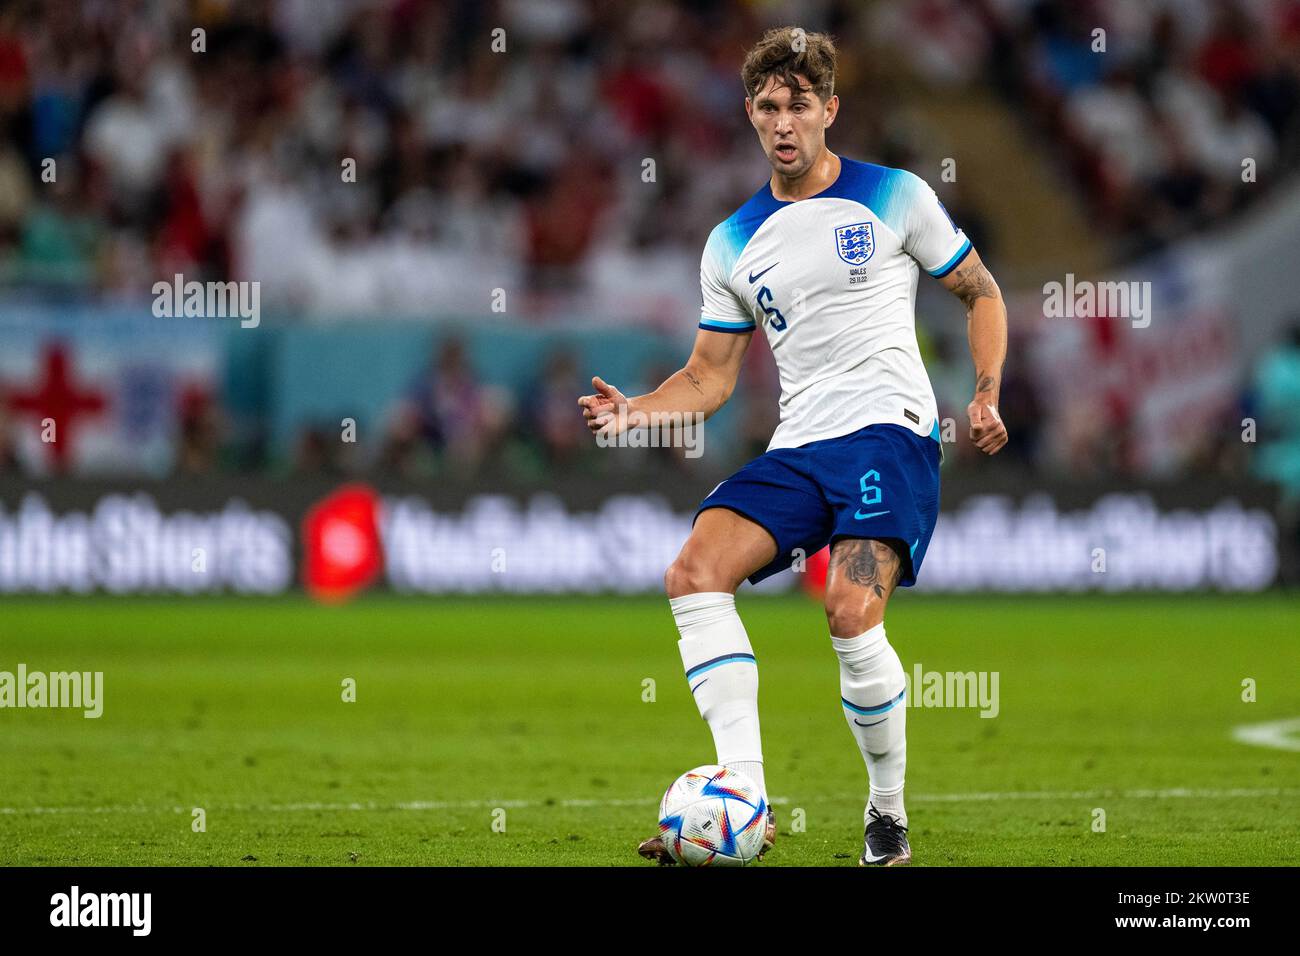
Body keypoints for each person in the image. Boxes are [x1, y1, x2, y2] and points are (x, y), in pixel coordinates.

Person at [579, 27, 1008, 866]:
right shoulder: (731, 242)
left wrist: (987, 391)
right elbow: (710, 377)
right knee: (693, 573)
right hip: (800, 445)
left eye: (800, 106)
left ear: (829, 111)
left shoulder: (895, 196)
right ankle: (745, 797)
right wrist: (640, 412)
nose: (785, 122)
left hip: (889, 435)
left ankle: (887, 812)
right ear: (750, 115)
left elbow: (980, 291)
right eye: (770, 107)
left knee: (848, 610)